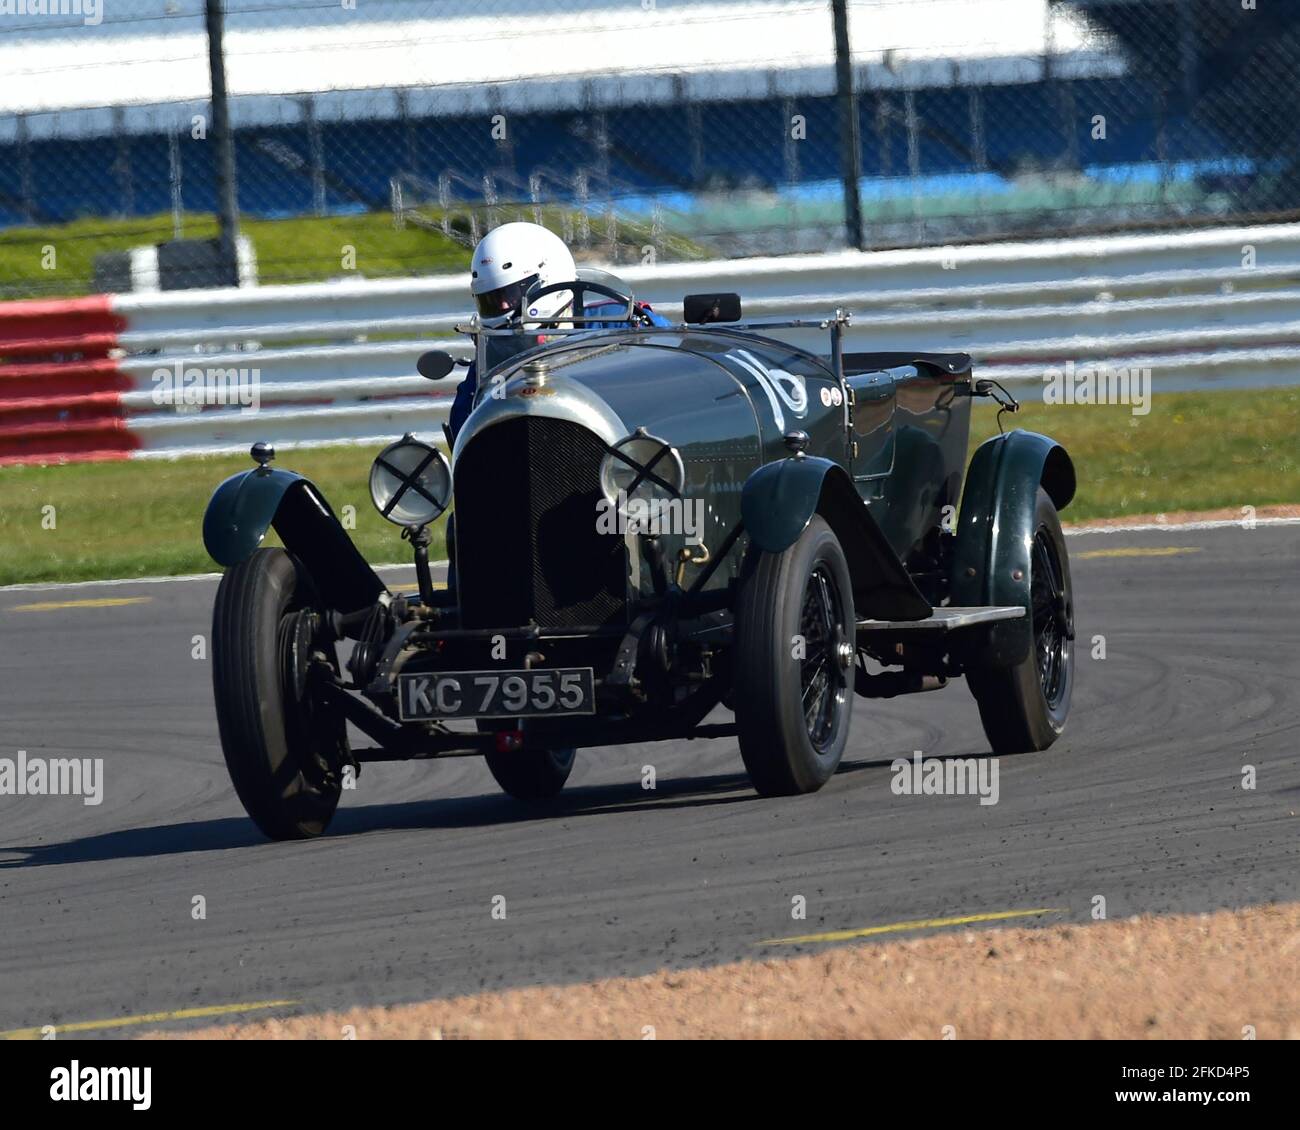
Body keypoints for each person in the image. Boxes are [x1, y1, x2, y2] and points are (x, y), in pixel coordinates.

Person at [448, 221, 669, 439]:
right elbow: (464, 428)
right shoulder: (494, 352)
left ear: (549, 279)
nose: (503, 306)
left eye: (510, 294)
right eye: (492, 299)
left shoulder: (619, 322)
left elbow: (674, 368)